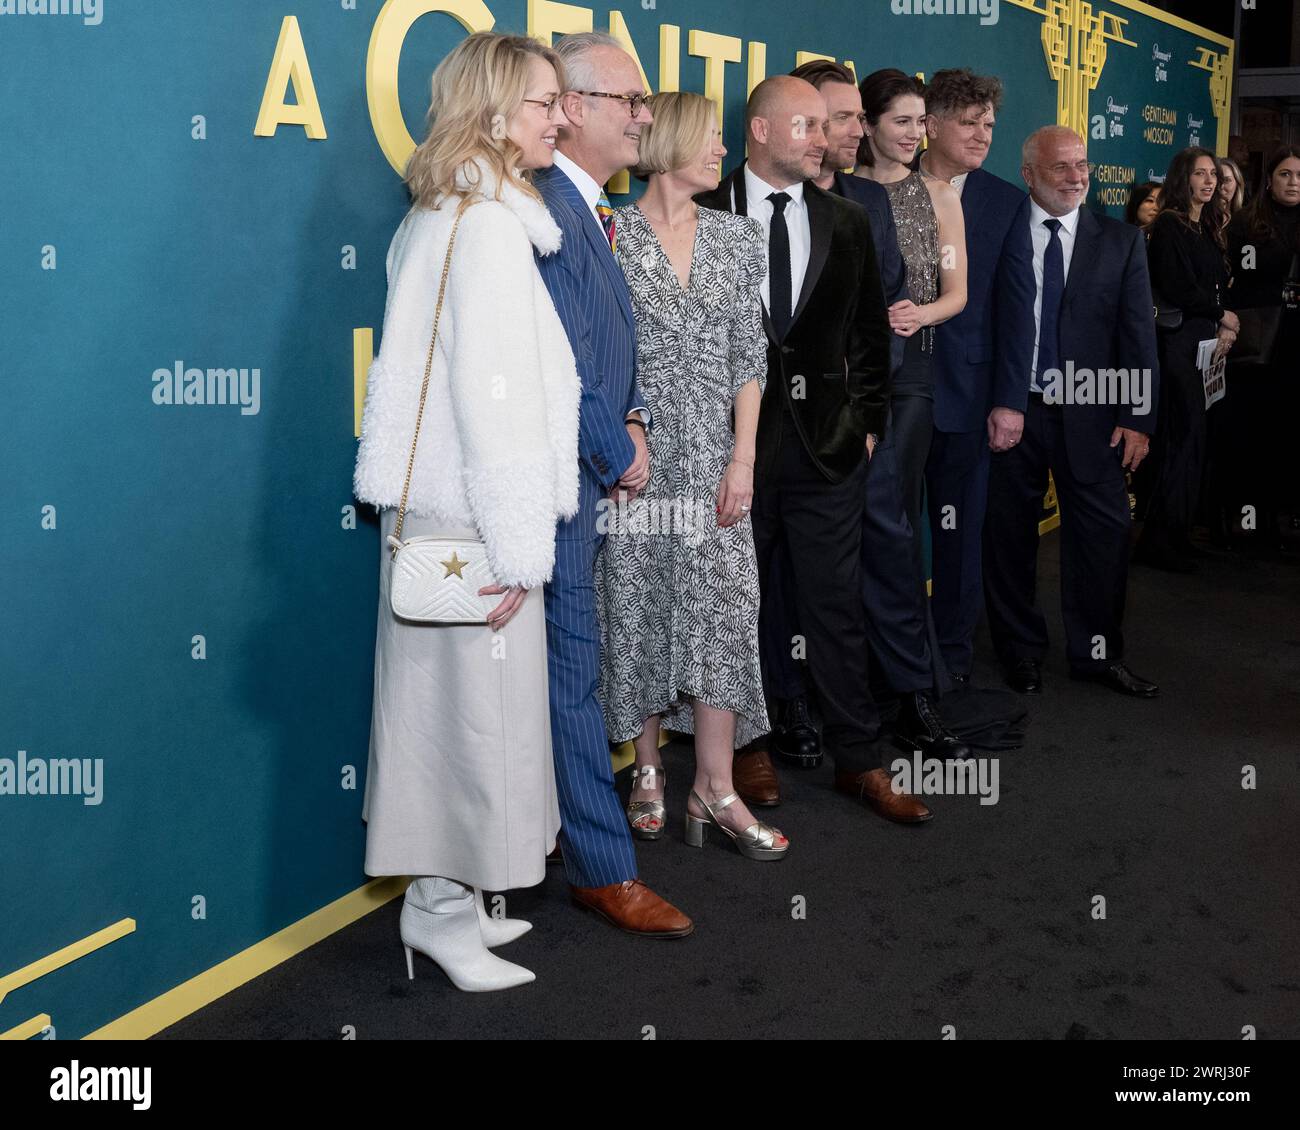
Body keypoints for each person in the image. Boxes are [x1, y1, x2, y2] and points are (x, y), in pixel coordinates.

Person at [353, 32, 580, 991]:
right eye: (542, 103)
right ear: (492, 113)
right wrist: (516, 547)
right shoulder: (483, 226)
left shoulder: (445, 213)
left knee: (452, 726)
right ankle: (440, 917)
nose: (559, 118)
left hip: (450, 516)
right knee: (466, 730)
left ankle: (451, 906)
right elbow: (494, 401)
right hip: (475, 525)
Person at [696, 75, 931, 824]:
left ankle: (859, 760)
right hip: (731, 458)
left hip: (827, 454)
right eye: (805, 125)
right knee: (740, 608)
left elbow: (868, 334)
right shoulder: (702, 209)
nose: (824, 138)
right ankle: (746, 748)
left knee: (835, 606)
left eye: (823, 127)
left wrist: (864, 424)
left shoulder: (847, 218)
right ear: (761, 130)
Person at [595, 91, 789, 860]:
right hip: (636, 462)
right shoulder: (611, 234)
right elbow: (597, 353)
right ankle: (647, 772)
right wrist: (619, 445)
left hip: (716, 460)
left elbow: (752, 356)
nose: (722, 152)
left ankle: (715, 784)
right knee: (637, 607)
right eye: (711, 139)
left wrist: (742, 457)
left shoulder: (740, 239)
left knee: (723, 617)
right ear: (669, 142)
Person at [532, 31, 693, 935]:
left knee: (570, 672)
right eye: (630, 102)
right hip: (561, 484)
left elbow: (605, 350)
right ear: (575, 110)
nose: (645, 116)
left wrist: (634, 421)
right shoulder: (550, 205)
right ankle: (601, 866)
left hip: (586, 470)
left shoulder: (589, 207)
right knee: (572, 676)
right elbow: (566, 356)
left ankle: (564, 844)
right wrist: (618, 447)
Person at [789, 58, 970, 762]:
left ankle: (910, 695)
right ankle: (793, 705)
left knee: (891, 544)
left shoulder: (870, 202)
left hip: (873, 411)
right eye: (838, 118)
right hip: (786, 421)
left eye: (851, 118)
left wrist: (866, 416)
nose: (848, 130)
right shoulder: (753, 202)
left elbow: (884, 309)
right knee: (795, 562)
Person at [985, 126, 1160, 698]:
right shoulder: (1000, 233)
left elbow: (1138, 335)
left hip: (1094, 411)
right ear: (1028, 174)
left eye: (1082, 165)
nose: (1077, 176)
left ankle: (1098, 653)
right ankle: (1021, 653)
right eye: (1061, 167)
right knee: (1010, 539)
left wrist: (1137, 417)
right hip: (1018, 412)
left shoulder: (1121, 241)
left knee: (1104, 537)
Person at [917, 69, 1027, 687]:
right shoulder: (882, 188)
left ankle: (951, 663)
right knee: (895, 542)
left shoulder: (1004, 200)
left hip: (971, 397)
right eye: (969, 121)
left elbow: (1018, 310)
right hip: (894, 400)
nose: (983, 133)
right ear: (930, 124)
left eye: (989, 123)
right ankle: (898, 662)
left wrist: (1010, 400)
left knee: (959, 539)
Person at [854, 68, 968, 607]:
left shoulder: (940, 196)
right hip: (845, 372)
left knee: (897, 504)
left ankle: (903, 659)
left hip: (912, 372)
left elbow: (956, 292)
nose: (914, 134)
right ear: (867, 122)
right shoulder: (837, 189)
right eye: (901, 121)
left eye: (921, 122)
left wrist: (919, 315)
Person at [1133, 147, 1238, 573]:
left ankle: (1178, 535)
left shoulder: (1206, 226)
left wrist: (1222, 323)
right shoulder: (1171, 226)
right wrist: (1221, 315)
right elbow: (1177, 287)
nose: (1210, 182)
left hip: (1203, 342)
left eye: (1213, 174)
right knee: (1179, 441)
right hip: (1177, 345)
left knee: (1194, 443)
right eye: (1200, 174)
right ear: (1183, 179)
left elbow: (1215, 285)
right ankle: (1159, 543)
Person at [1222, 145, 1300, 549]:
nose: (1293, 182)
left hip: (1296, 347)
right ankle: (1247, 517)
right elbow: (1243, 276)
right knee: (1253, 430)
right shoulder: (1246, 224)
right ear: (1269, 180)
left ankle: (1289, 517)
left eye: (1299, 175)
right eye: (1285, 174)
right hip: (1258, 344)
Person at [1218, 158, 1245, 224]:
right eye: (1217, 180)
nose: (1221, 187)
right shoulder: (1197, 221)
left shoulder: (1245, 222)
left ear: (1237, 185)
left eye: (1226, 180)